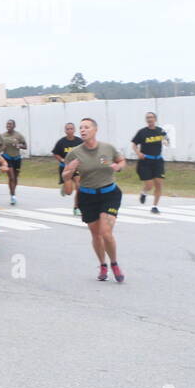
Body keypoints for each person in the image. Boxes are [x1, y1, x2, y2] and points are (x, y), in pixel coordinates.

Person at [62, 117, 127, 282]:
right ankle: (102, 265)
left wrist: (118, 167)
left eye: (86, 127)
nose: (83, 130)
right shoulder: (74, 153)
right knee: (96, 234)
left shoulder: (107, 148)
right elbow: (65, 175)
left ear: (95, 130)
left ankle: (114, 263)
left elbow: (121, 160)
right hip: (87, 196)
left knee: (106, 232)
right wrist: (69, 171)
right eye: (81, 128)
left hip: (109, 194)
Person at [131, 112, 169, 214]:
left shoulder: (160, 131)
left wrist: (166, 141)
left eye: (151, 117)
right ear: (146, 120)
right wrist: (138, 153)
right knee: (149, 185)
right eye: (147, 118)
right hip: (146, 161)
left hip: (158, 161)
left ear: (155, 119)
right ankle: (144, 193)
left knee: (159, 184)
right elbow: (134, 144)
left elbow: (166, 140)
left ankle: (154, 206)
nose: (149, 119)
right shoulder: (142, 132)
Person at [52, 122, 82, 215]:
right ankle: (65, 186)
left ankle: (76, 208)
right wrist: (62, 159)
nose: (70, 130)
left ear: (74, 130)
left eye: (71, 129)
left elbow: (85, 151)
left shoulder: (79, 141)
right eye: (68, 129)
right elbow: (55, 153)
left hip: (76, 168)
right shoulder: (61, 142)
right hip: (65, 168)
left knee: (79, 187)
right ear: (65, 131)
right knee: (69, 192)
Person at [0, 119, 27, 205]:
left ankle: (13, 192)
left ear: (14, 126)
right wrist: (1, 148)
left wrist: (19, 145)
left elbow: (25, 146)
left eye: (10, 124)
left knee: (15, 178)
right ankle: (13, 196)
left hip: (17, 158)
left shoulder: (18, 135)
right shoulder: (2, 136)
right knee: (11, 177)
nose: (8, 126)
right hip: (7, 157)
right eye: (7, 124)